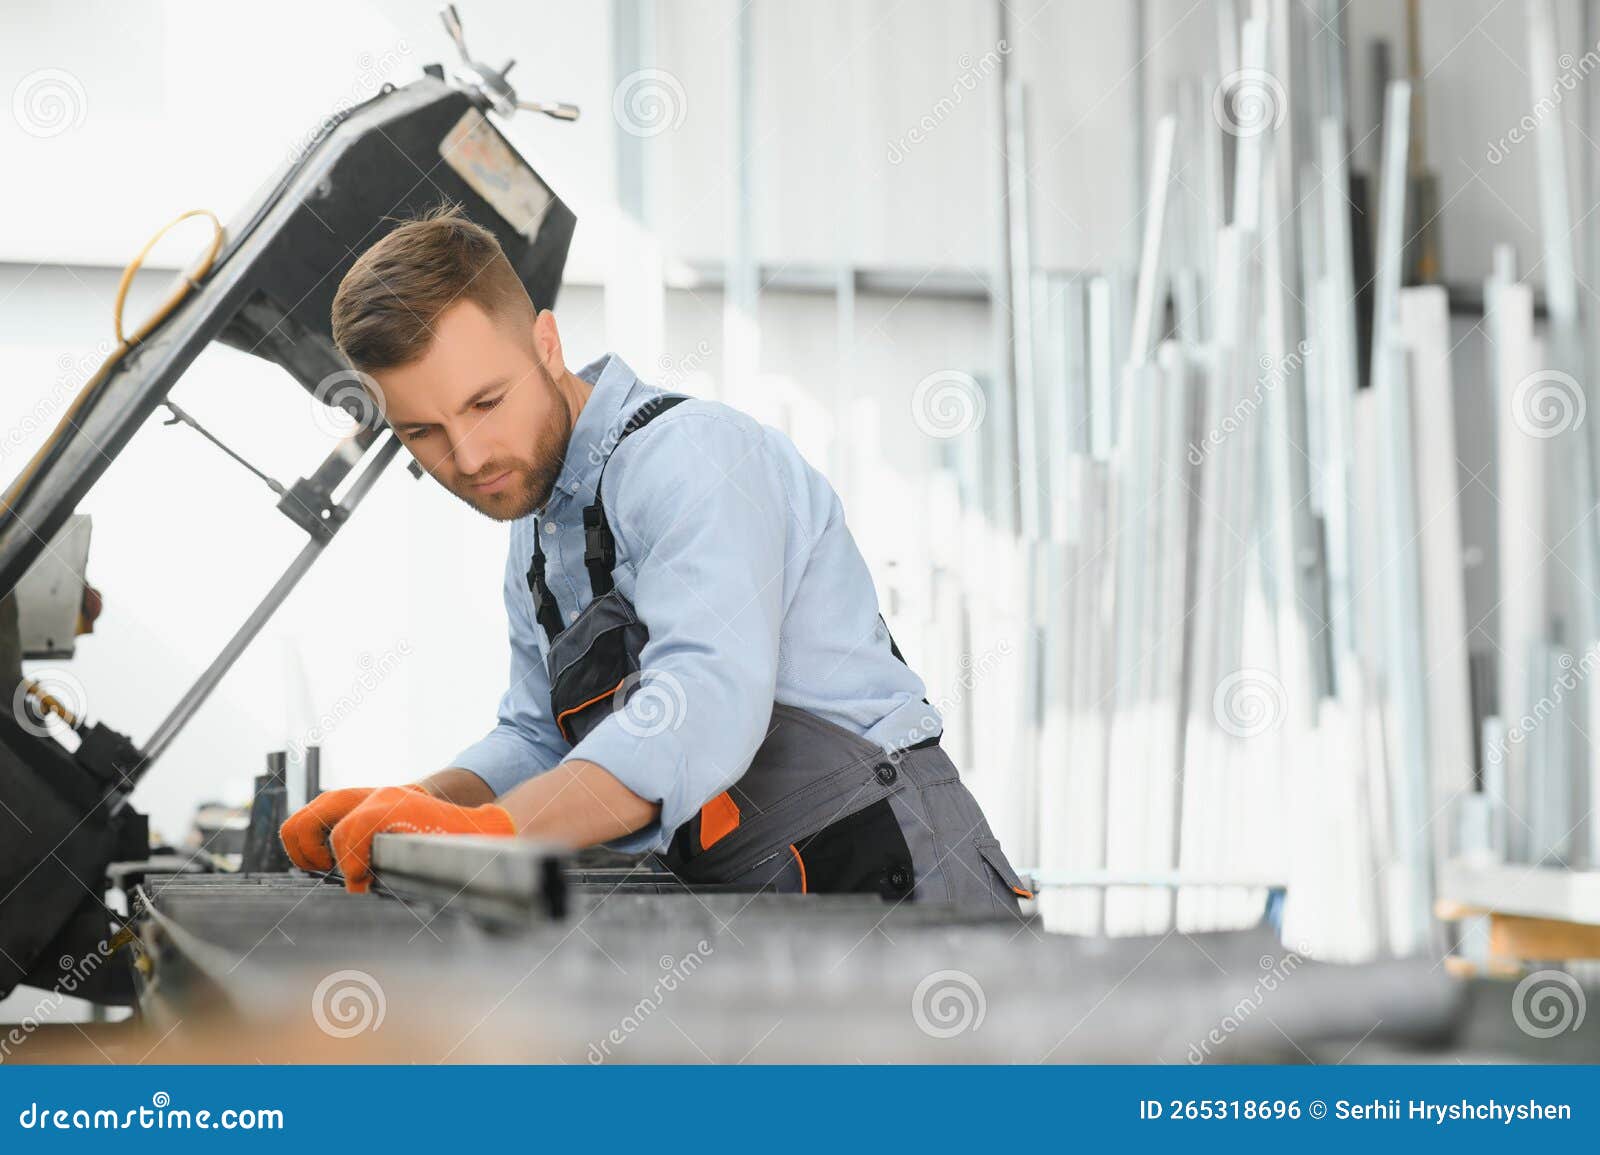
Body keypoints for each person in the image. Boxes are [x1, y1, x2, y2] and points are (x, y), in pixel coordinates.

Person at [278, 204, 1029, 914]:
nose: (469, 457)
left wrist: (494, 835)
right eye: (423, 432)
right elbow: (536, 737)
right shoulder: (538, 528)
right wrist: (418, 808)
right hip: (754, 896)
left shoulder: (693, 457)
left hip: (888, 866)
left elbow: (699, 705)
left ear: (547, 343)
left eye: (486, 402)